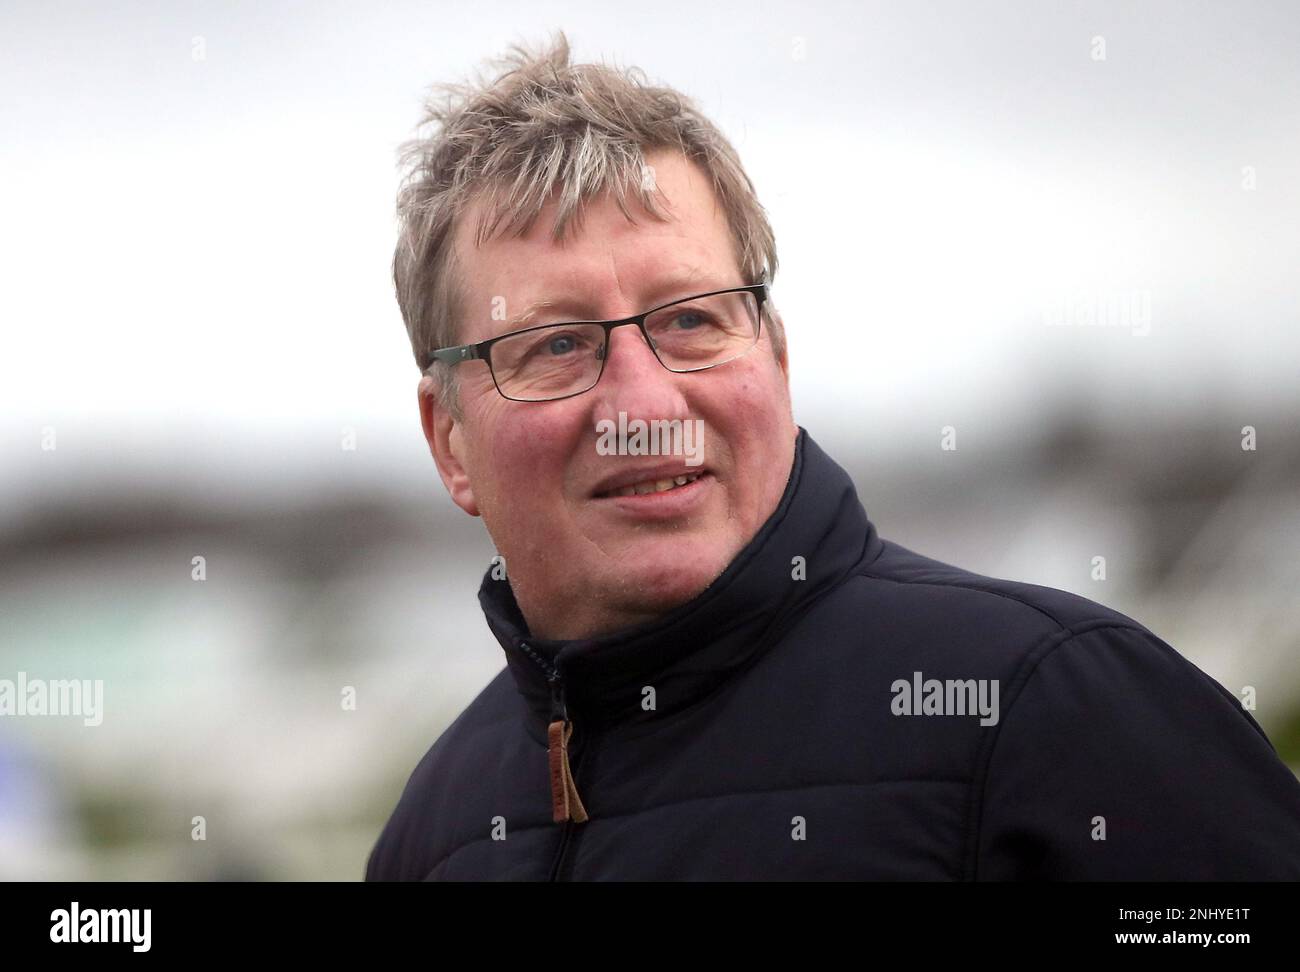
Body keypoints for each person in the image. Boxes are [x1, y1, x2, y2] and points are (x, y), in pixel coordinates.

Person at [365, 31, 1300, 880]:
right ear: (449, 439)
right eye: (558, 343)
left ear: (774, 356)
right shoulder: (432, 834)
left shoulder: (1060, 711)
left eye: (691, 320)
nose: (644, 405)